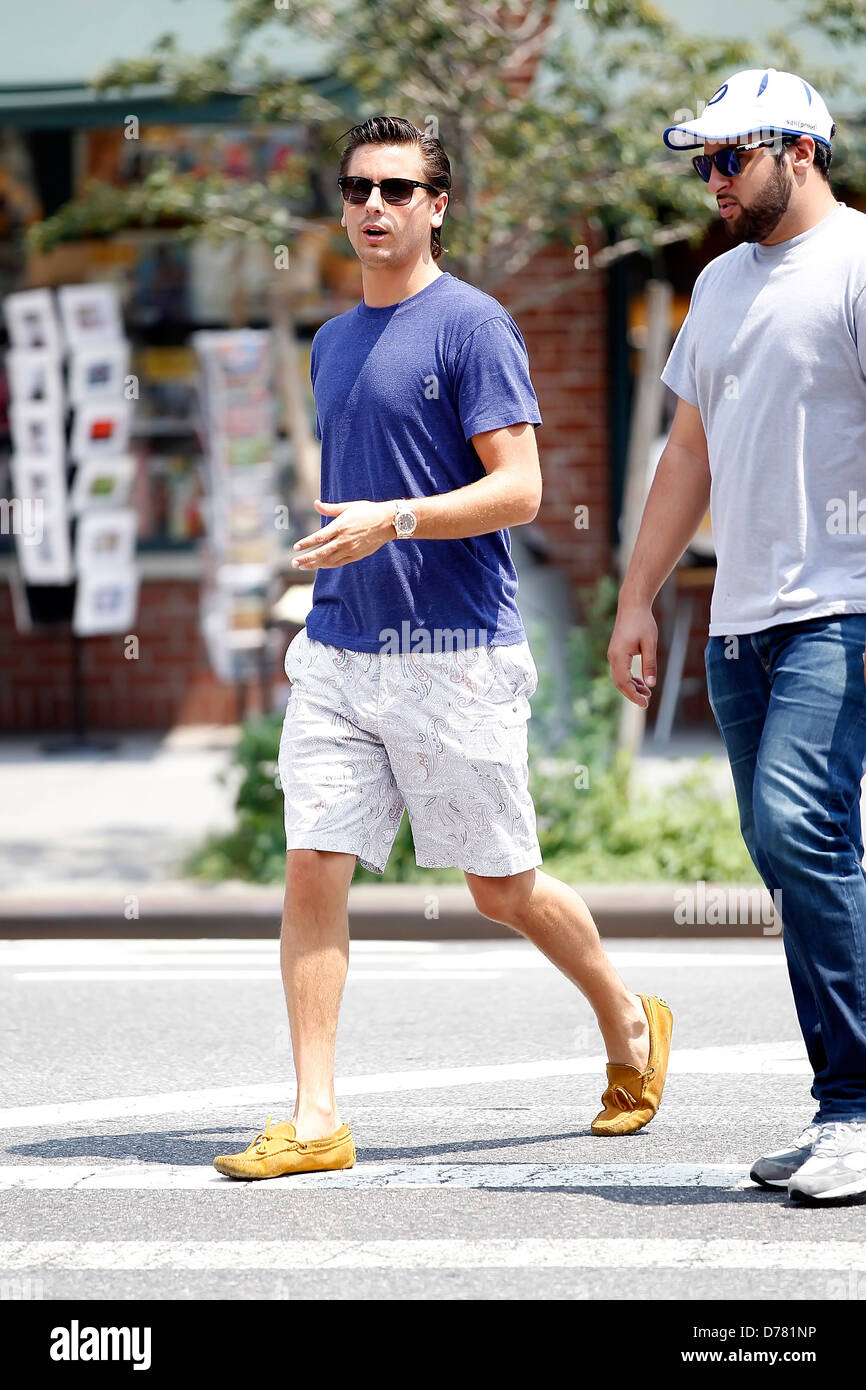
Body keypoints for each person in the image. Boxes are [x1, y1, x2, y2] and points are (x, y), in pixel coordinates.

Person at [213, 115, 672, 1180]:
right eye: (357, 187)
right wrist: (341, 545)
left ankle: (628, 1019)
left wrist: (394, 519)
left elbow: (520, 489)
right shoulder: (330, 340)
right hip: (338, 649)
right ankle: (316, 1117)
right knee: (313, 863)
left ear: (436, 205)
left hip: (455, 651)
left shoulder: (474, 326)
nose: (373, 205)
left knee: (499, 887)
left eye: (396, 188)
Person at [608, 68, 866, 1204]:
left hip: (841, 608)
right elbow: (686, 457)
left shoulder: (856, 266)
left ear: (798, 151)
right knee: (788, 859)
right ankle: (837, 1107)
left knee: (794, 829)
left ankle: (858, 1104)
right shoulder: (714, 288)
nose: (709, 180)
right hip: (741, 625)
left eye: (728, 158)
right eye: (699, 162)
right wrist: (633, 598)